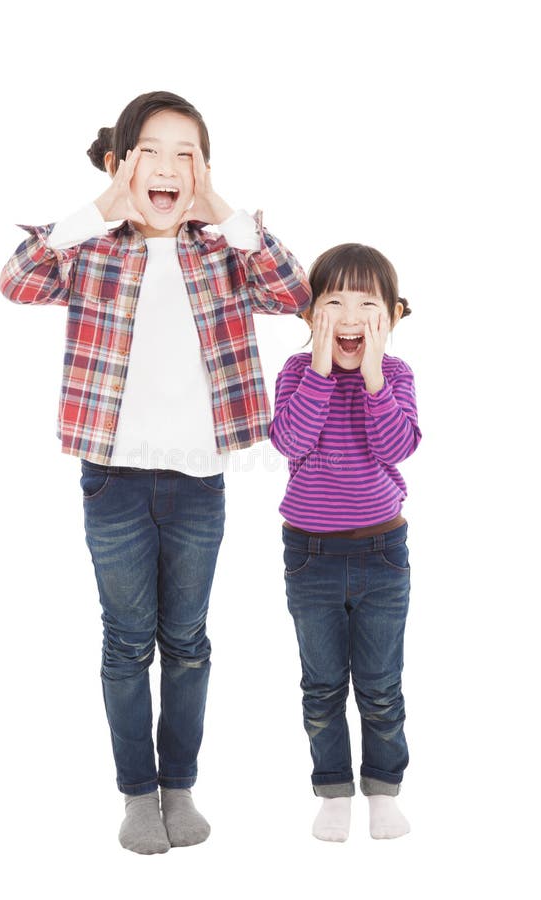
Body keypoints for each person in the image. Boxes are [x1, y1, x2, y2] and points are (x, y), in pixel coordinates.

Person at [0, 90, 311, 855]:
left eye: (188, 156)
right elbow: (15, 280)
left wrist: (225, 209)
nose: (169, 170)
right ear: (120, 164)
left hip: (200, 481)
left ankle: (181, 785)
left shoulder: (222, 253)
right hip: (113, 480)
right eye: (151, 154)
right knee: (125, 642)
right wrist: (101, 203)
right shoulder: (94, 251)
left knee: (190, 641)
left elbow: (296, 294)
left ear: (204, 172)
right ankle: (138, 794)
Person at [269, 243, 421, 842]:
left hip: (383, 553)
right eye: (333, 302)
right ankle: (332, 789)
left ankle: (383, 789)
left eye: (367, 303)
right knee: (323, 683)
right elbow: (290, 441)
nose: (350, 316)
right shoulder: (295, 374)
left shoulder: (399, 376)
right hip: (310, 555)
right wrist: (322, 369)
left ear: (390, 316)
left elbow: (396, 448)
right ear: (310, 316)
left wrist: (377, 372)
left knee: (381, 685)